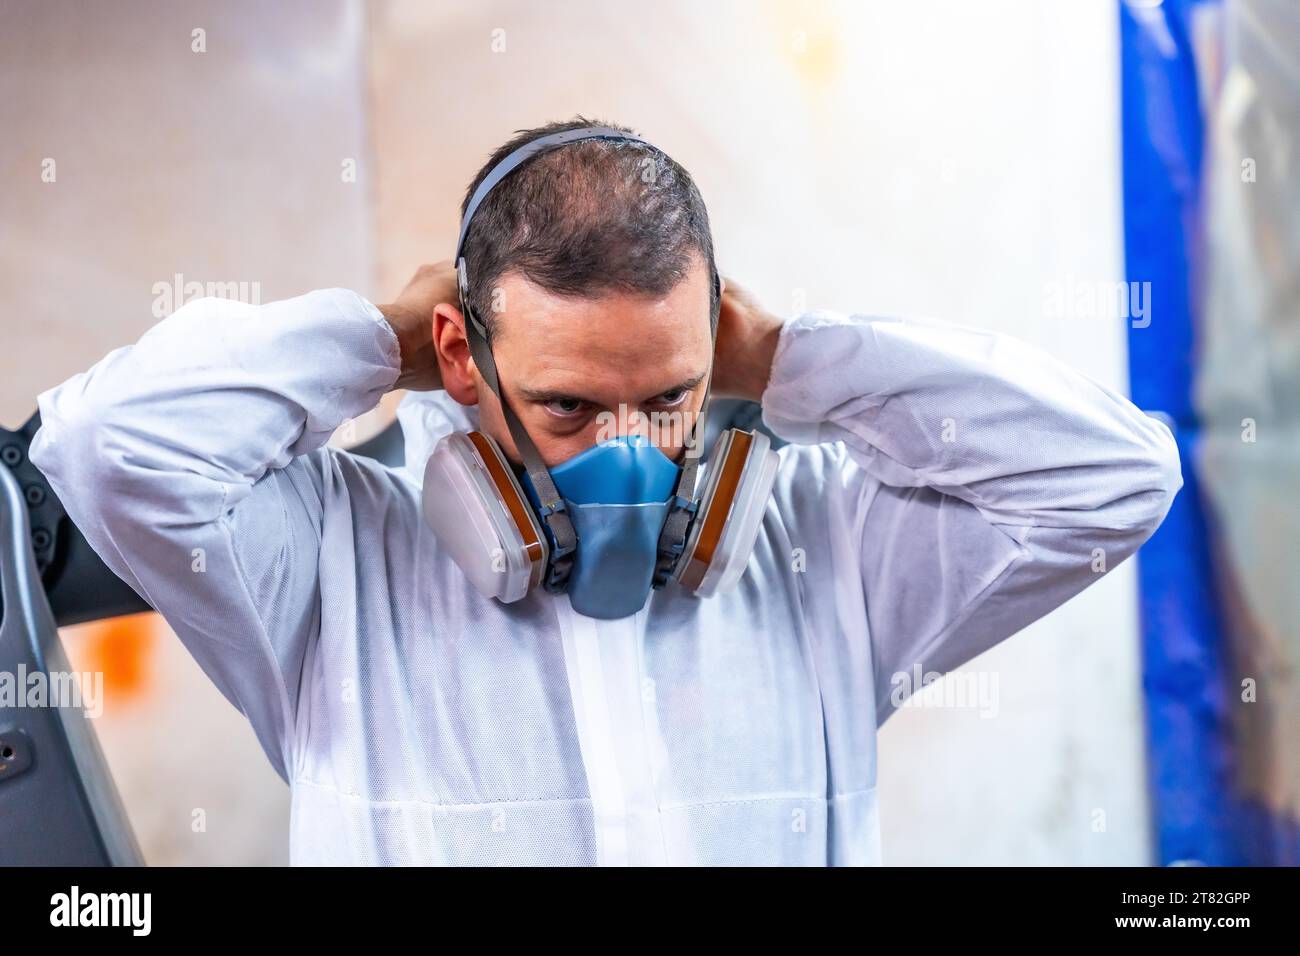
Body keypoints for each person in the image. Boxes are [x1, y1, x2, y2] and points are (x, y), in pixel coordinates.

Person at [31, 118, 1182, 865]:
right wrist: (383, 338)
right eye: (570, 406)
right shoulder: (327, 558)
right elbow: (102, 445)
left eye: (671, 396)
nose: (629, 450)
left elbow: (1113, 476)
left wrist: (788, 359)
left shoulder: (824, 551)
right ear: (465, 357)